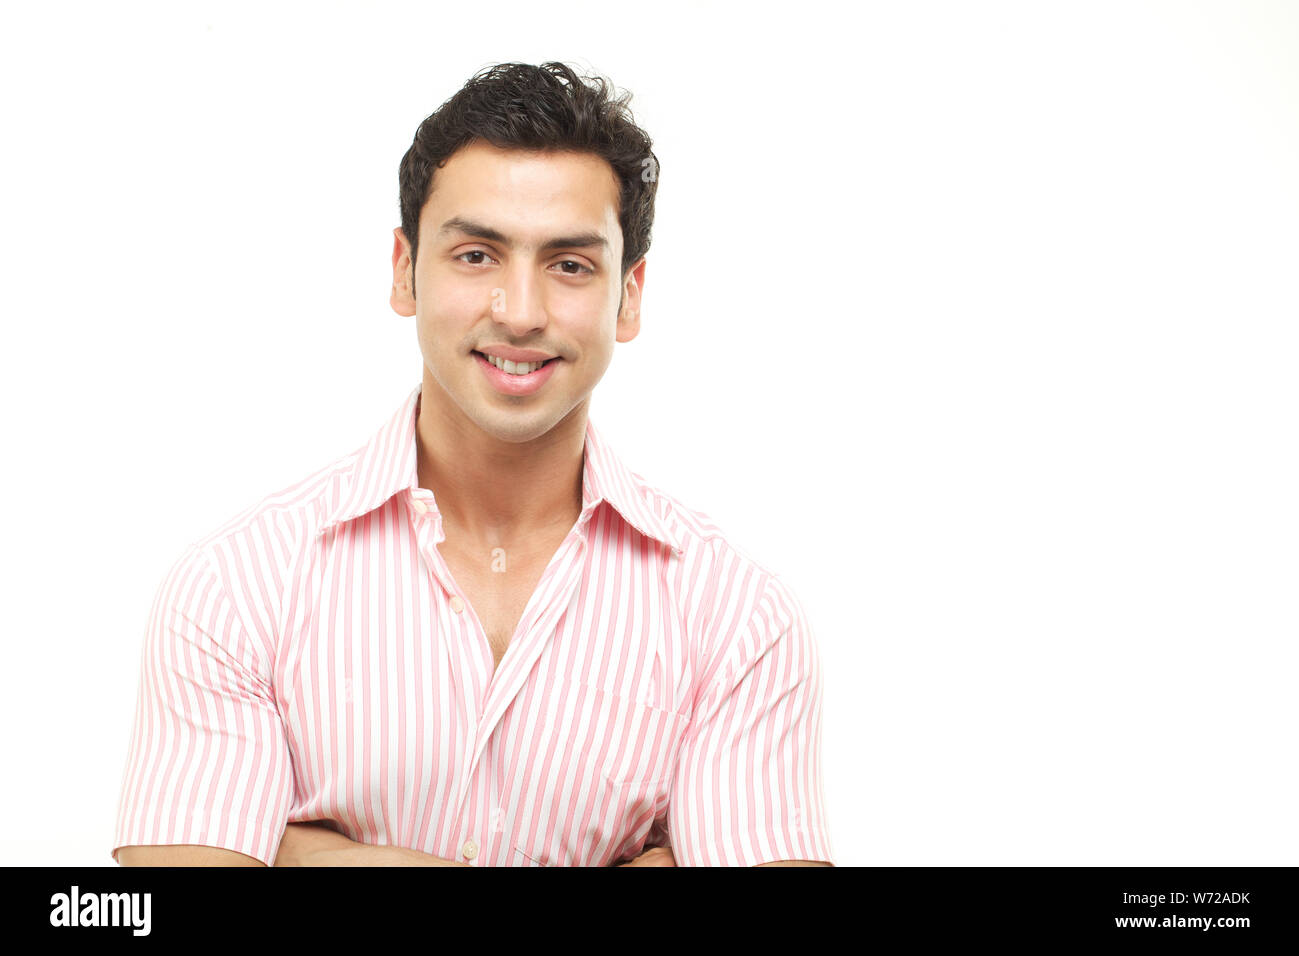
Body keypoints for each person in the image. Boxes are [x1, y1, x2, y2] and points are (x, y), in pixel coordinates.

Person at [113, 61, 833, 867]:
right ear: (403, 269)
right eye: (477, 255)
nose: (519, 313)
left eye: (569, 265)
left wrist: (305, 855)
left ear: (628, 297)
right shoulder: (238, 587)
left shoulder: (737, 621)